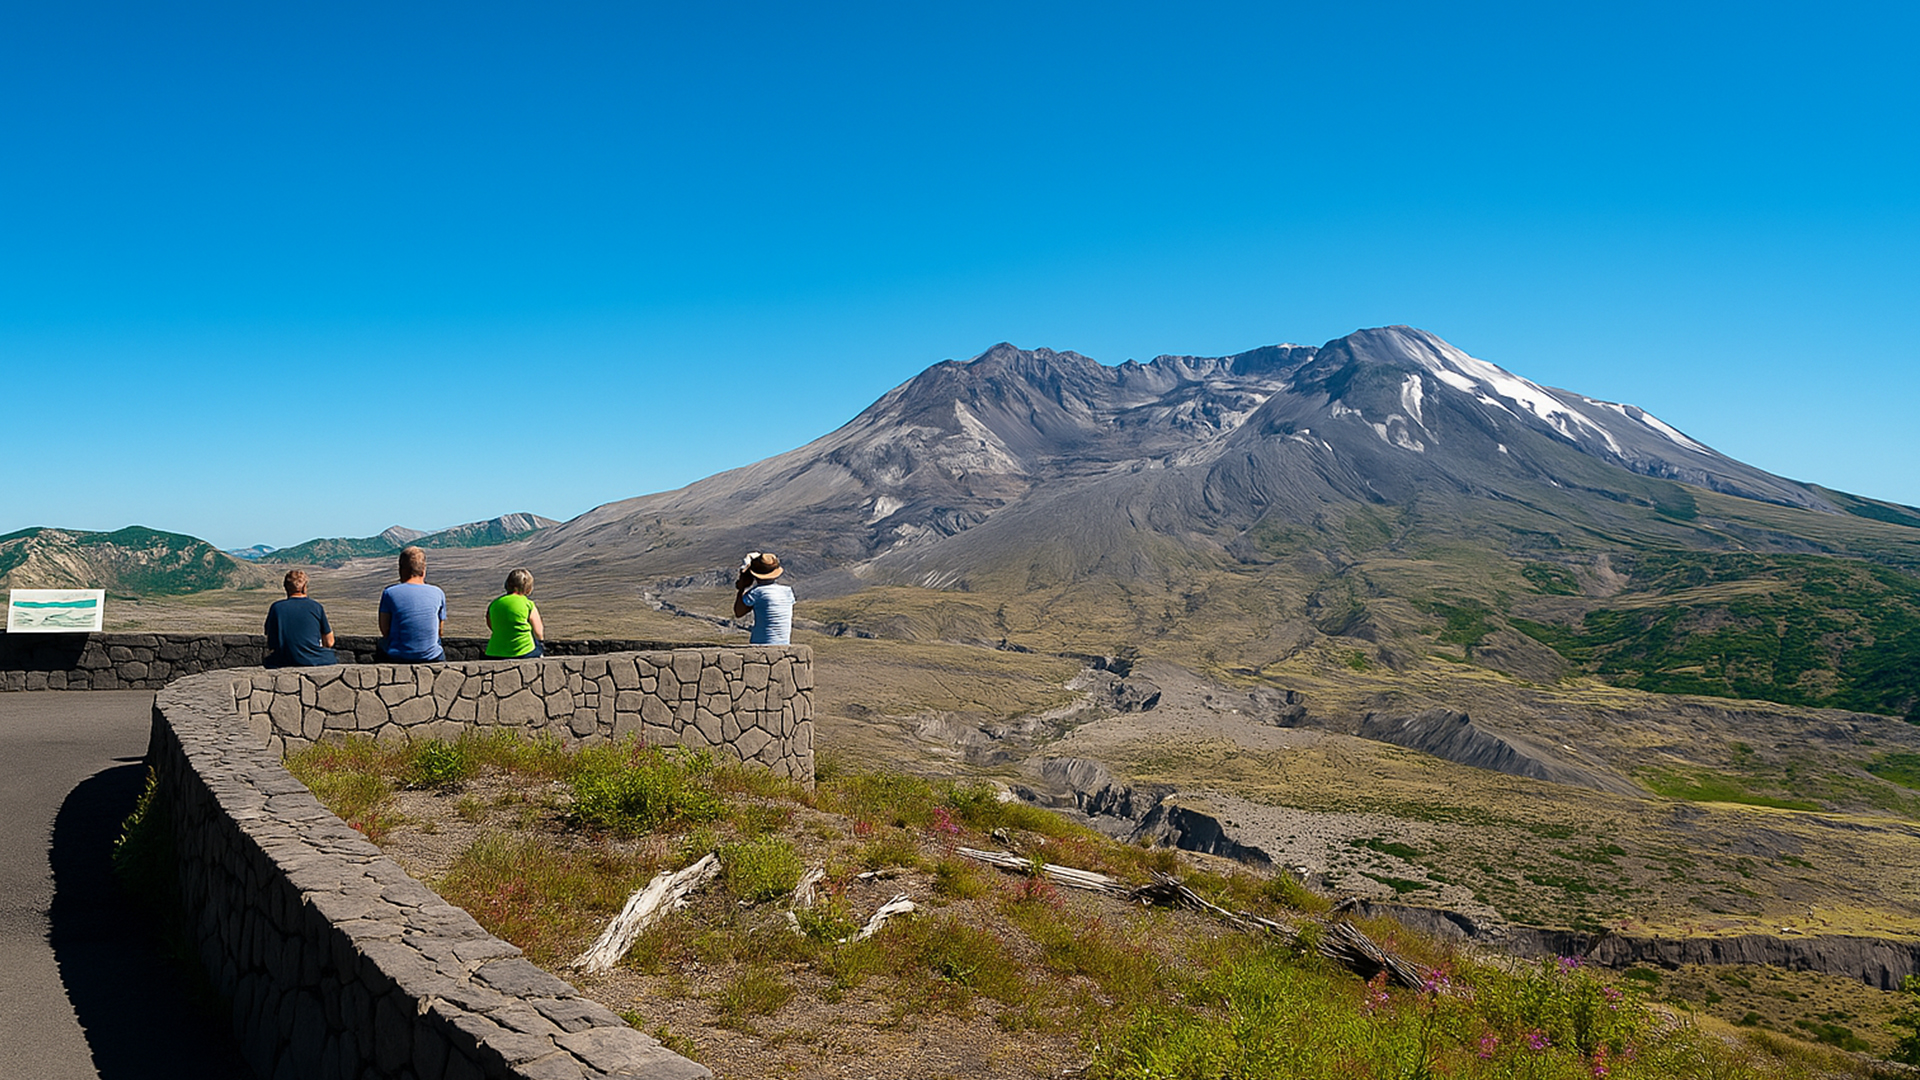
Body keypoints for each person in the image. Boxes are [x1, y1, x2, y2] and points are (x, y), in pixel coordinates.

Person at [377, 546, 448, 663]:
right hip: (431, 656)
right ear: (423, 570)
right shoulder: (438, 592)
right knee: (437, 644)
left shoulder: (390, 593)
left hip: (398, 656)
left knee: (382, 644)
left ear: (401, 569)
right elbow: (440, 631)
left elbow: (385, 630)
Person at [264, 569, 336, 667]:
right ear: (305, 587)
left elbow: (271, 641)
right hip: (315, 659)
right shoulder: (316, 607)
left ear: (285, 587)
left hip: (285, 659)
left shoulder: (276, 608)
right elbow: (329, 642)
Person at [732, 551, 794, 645]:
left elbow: (739, 612)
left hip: (761, 644)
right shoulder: (788, 591)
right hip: (784, 643)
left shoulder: (756, 593)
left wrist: (742, 587)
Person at [484, 567, 545, 659]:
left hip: (494, 651)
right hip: (524, 651)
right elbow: (538, 632)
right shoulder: (528, 604)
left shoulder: (494, 604)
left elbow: (491, 625)